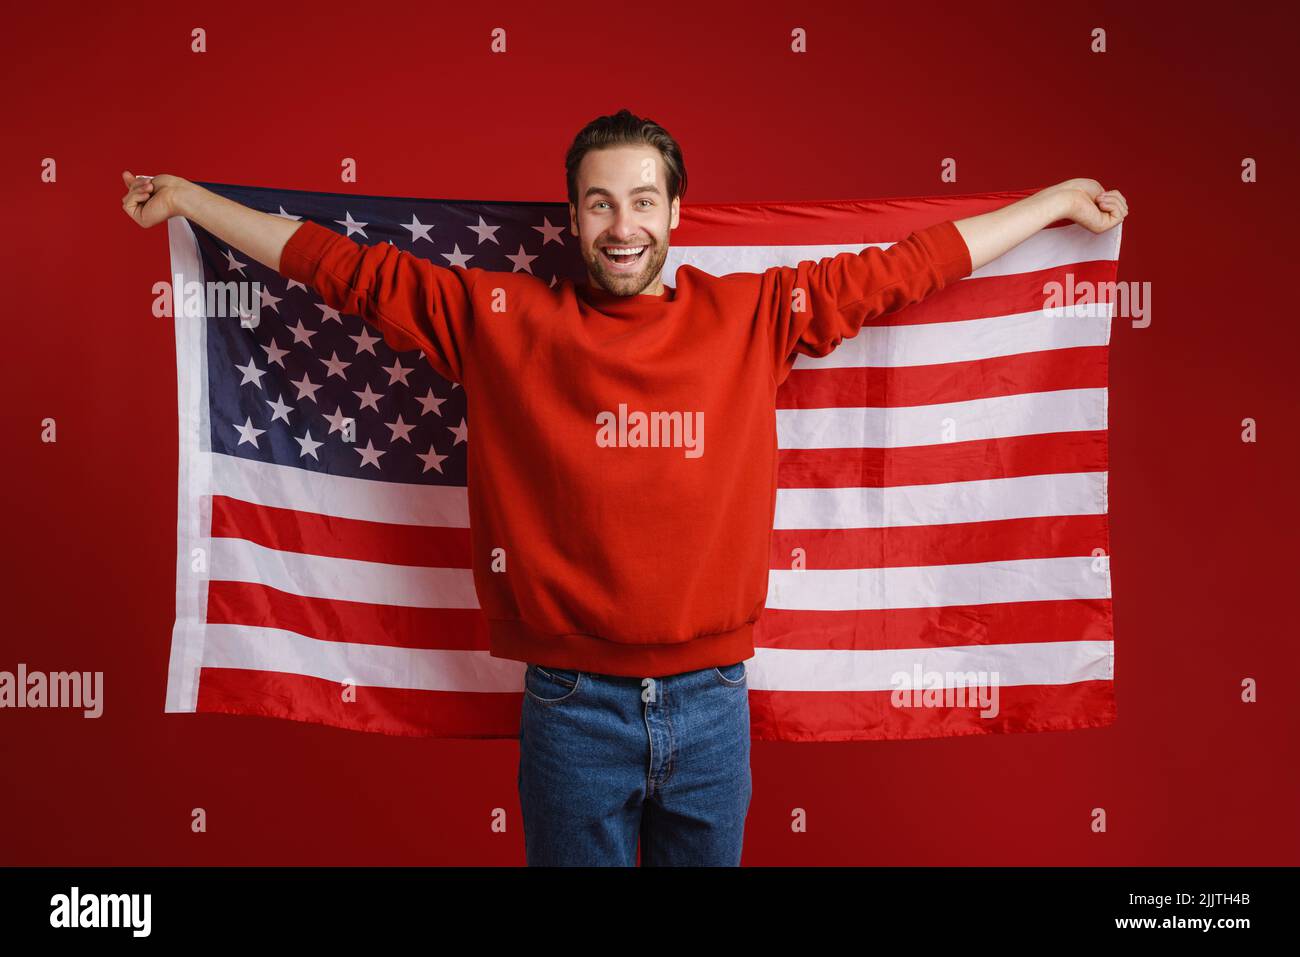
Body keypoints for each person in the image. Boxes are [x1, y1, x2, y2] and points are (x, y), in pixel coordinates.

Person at [121, 108, 1128, 866]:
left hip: (715, 703)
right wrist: (189, 200)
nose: (621, 225)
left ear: (675, 211)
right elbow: (343, 270)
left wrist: (1049, 205)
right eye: (600, 202)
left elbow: (907, 268)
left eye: (642, 201)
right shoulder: (497, 316)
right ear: (572, 213)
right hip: (570, 709)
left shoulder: (755, 317)